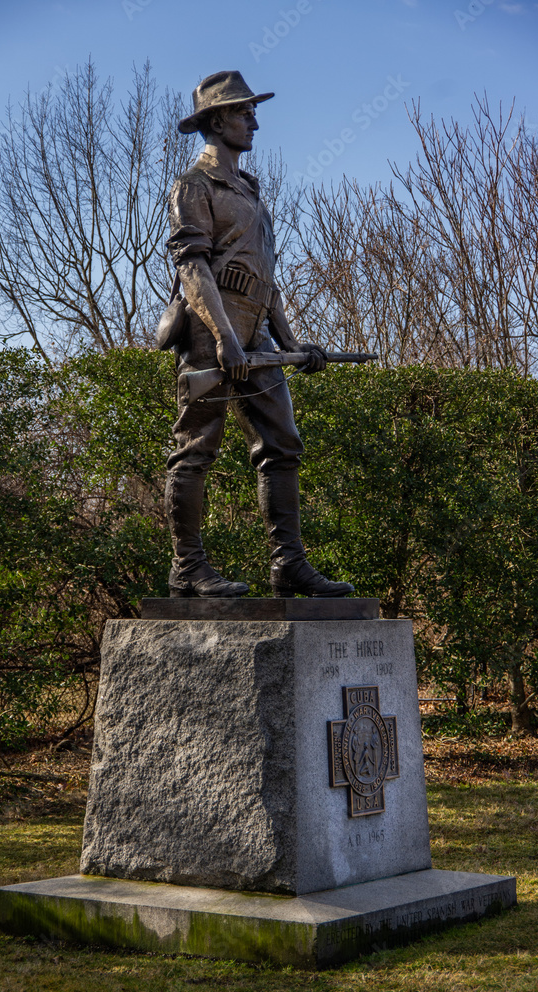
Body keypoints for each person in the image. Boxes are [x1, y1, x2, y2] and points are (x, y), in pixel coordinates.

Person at [164, 70, 353, 600]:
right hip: (211, 331)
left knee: (281, 445)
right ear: (216, 120)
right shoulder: (194, 185)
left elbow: (264, 278)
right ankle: (187, 568)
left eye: (253, 112)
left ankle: (288, 565)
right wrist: (224, 338)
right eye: (244, 113)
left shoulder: (249, 190)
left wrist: (290, 343)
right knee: (195, 448)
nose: (254, 122)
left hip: (256, 337)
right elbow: (193, 267)